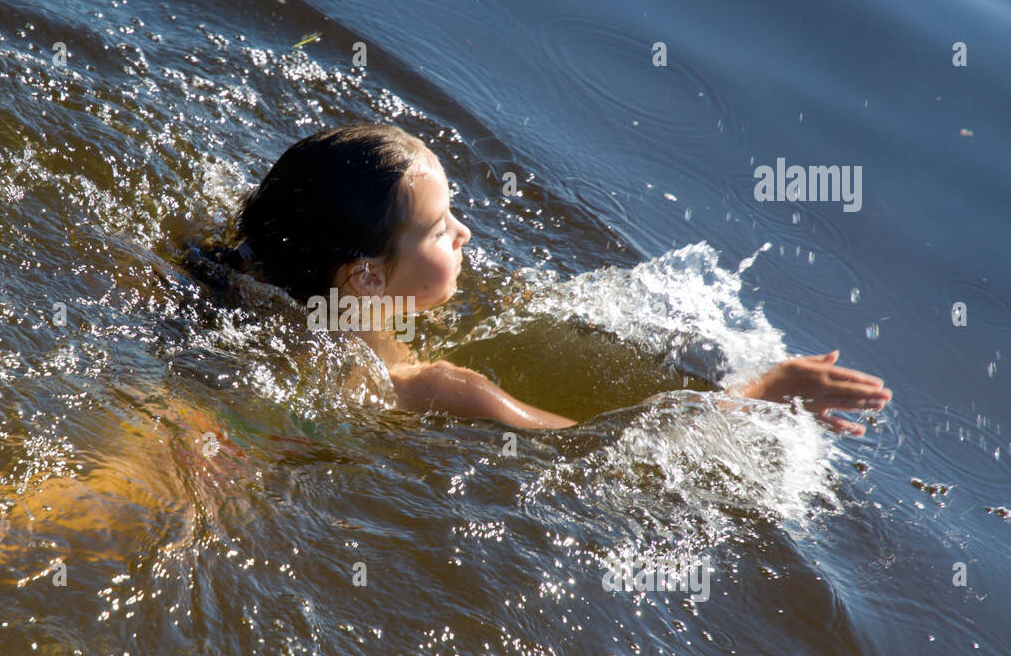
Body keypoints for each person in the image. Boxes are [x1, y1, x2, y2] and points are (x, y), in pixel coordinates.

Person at [196, 122, 892, 432]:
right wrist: (765, 391)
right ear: (366, 281)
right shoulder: (429, 384)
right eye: (440, 229)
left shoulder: (227, 265)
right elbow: (596, 443)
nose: (464, 232)